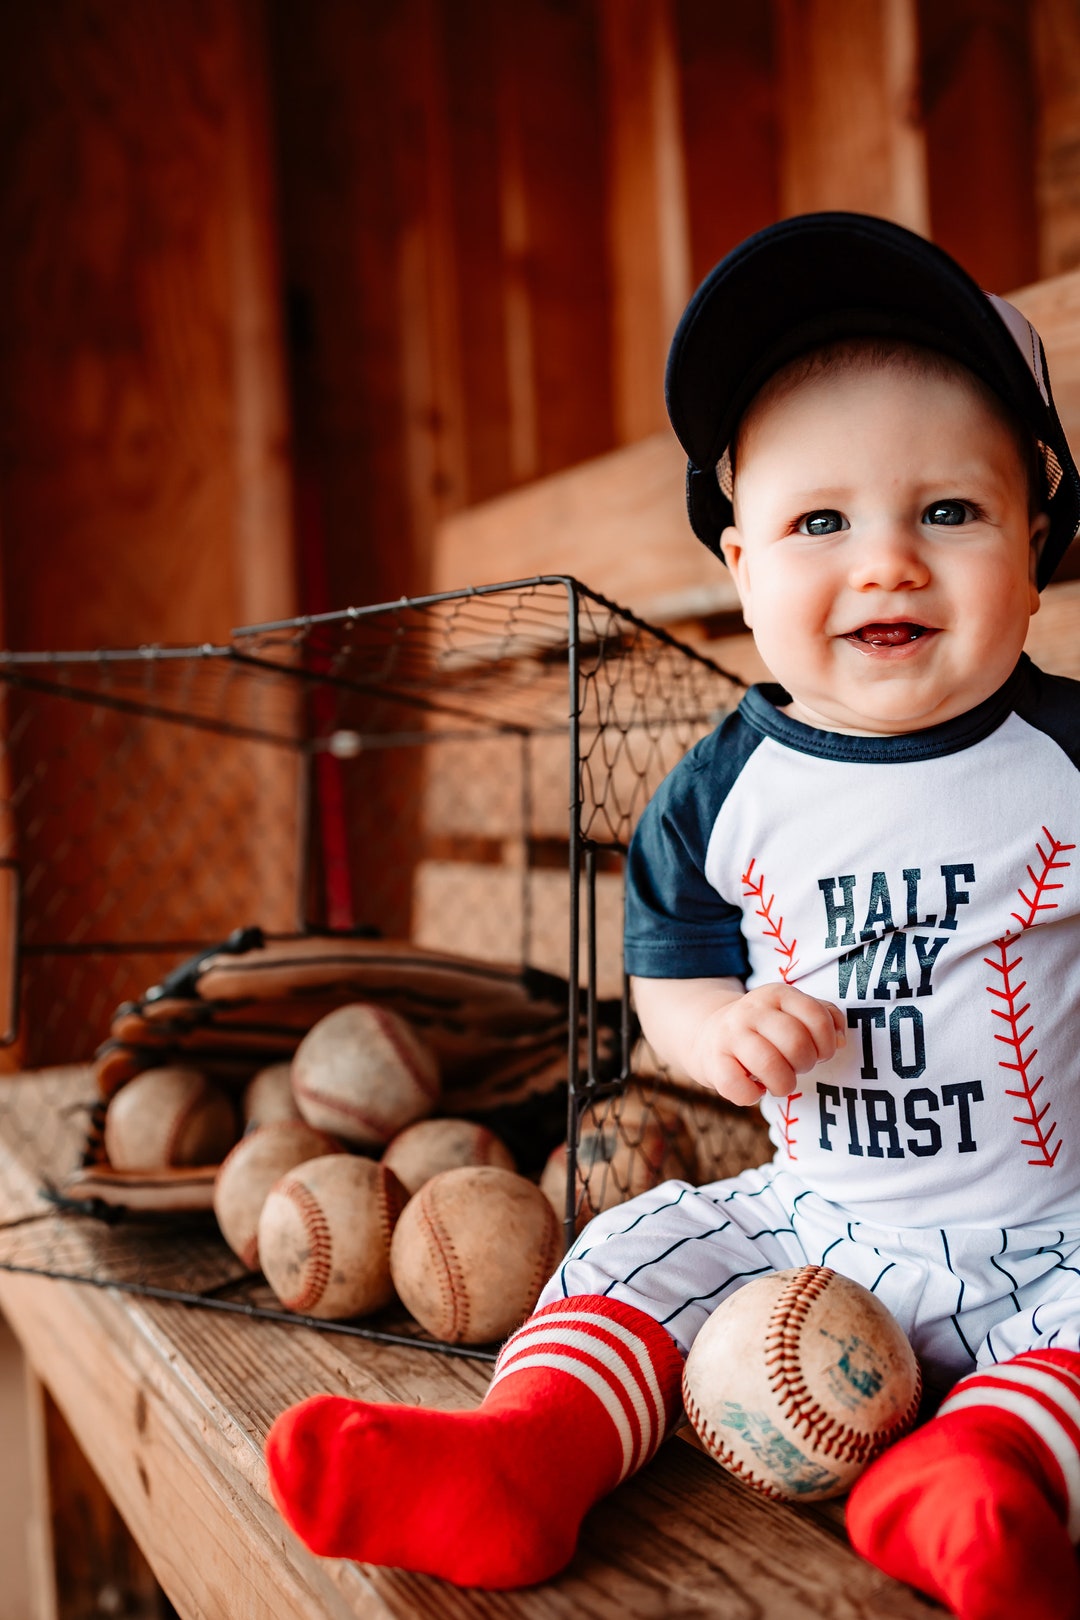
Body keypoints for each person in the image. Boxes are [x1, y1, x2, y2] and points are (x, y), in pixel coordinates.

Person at [265, 214, 1080, 1619]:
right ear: (737, 560)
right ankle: (527, 1458)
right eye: (819, 521)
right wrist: (719, 1037)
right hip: (812, 1214)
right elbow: (680, 970)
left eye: (948, 510)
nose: (884, 561)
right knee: (634, 1249)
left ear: (1040, 539)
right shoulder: (728, 790)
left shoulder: (1064, 760)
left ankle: (978, 1480)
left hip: (1050, 1228)